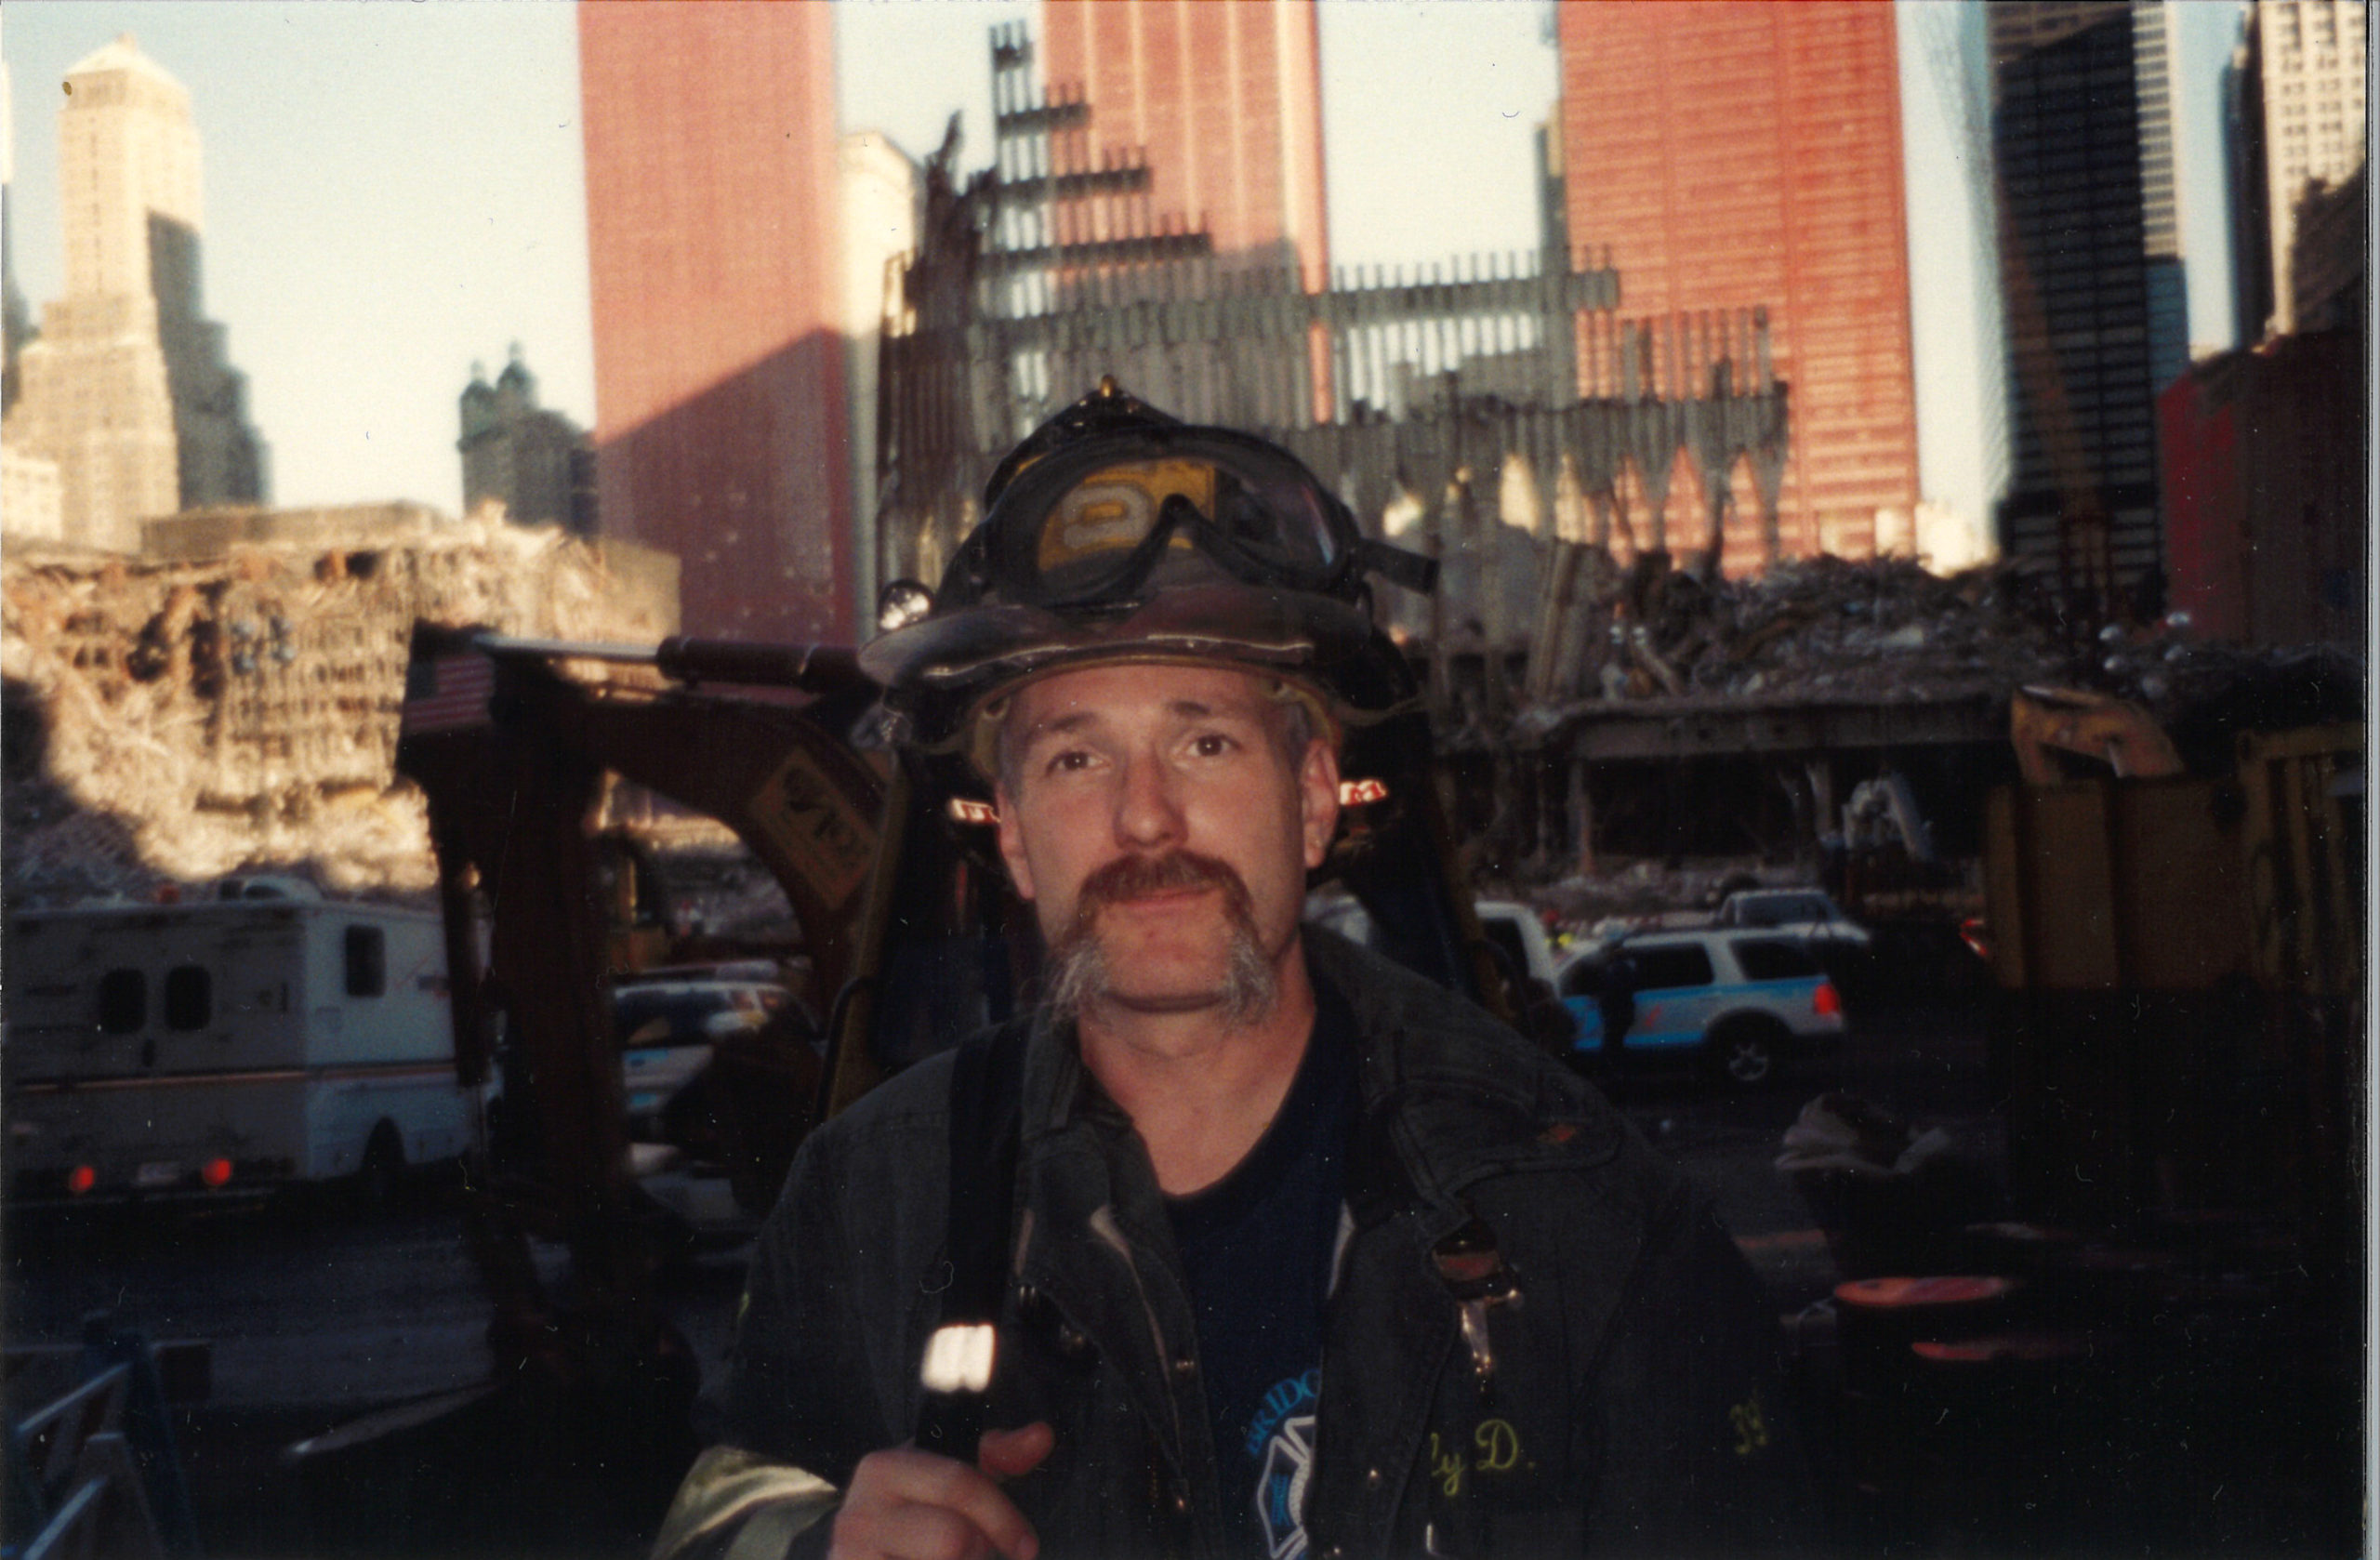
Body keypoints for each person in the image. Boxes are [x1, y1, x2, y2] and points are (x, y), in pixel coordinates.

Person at [652, 382, 1811, 1560]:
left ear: (1310, 799)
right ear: (1010, 830)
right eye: (1074, 757)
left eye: (1203, 740)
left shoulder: (1579, 1205)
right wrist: (809, 1549)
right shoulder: (868, 1192)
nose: (1145, 819)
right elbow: (717, 1509)